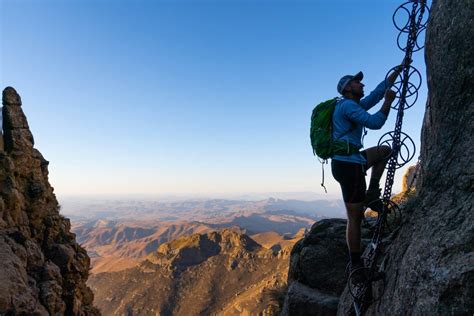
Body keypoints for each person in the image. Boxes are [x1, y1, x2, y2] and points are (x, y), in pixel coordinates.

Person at [331, 61, 407, 278]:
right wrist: (389, 102)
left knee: (384, 151)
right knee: (354, 218)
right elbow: (375, 123)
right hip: (348, 166)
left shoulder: (353, 105)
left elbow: (377, 92)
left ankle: (372, 193)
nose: (361, 84)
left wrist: (398, 70)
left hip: (351, 160)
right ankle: (356, 268)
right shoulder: (347, 106)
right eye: (357, 82)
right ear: (347, 88)